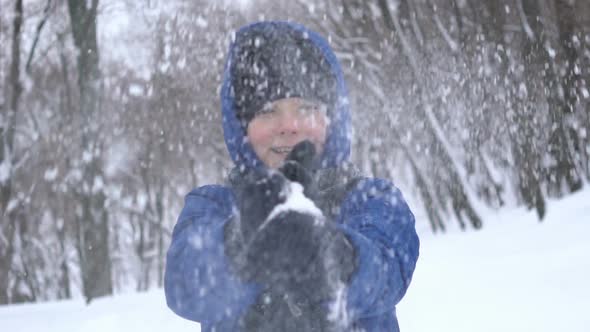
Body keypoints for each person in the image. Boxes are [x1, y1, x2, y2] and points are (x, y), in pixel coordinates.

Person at [164, 21, 419, 332]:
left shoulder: (371, 199)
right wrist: (245, 238)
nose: (289, 126)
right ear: (241, 129)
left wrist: (328, 252)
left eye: (307, 107)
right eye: (267, 110)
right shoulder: (211, 205)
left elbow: (388, 272)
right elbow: (185, 285)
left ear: (332, 119)